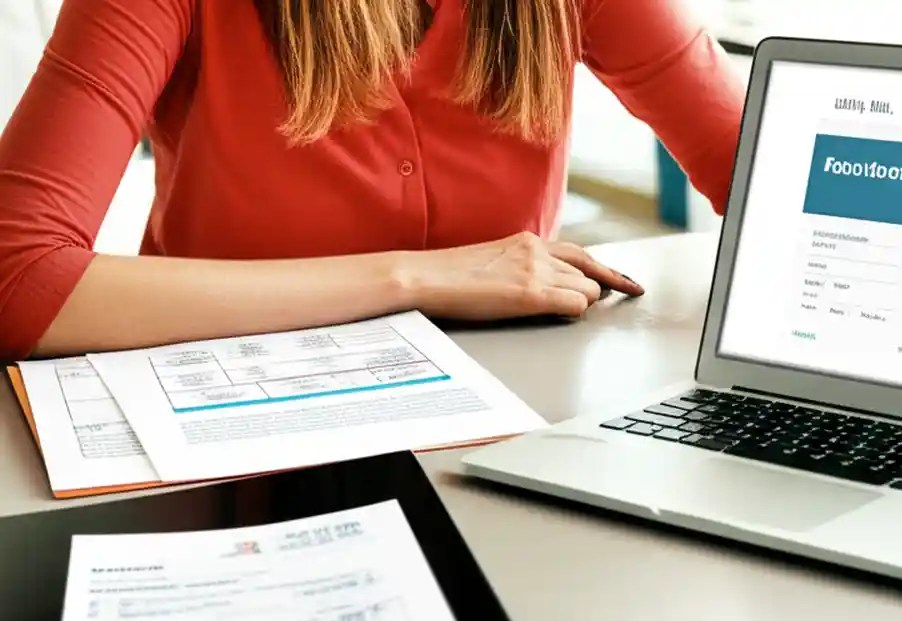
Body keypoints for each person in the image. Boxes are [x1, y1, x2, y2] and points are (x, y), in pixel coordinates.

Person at [0, 0, 744, 360]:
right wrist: (411, 278)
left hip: (494, 442)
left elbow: (770, 185)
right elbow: (17, 278)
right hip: (223, 454)